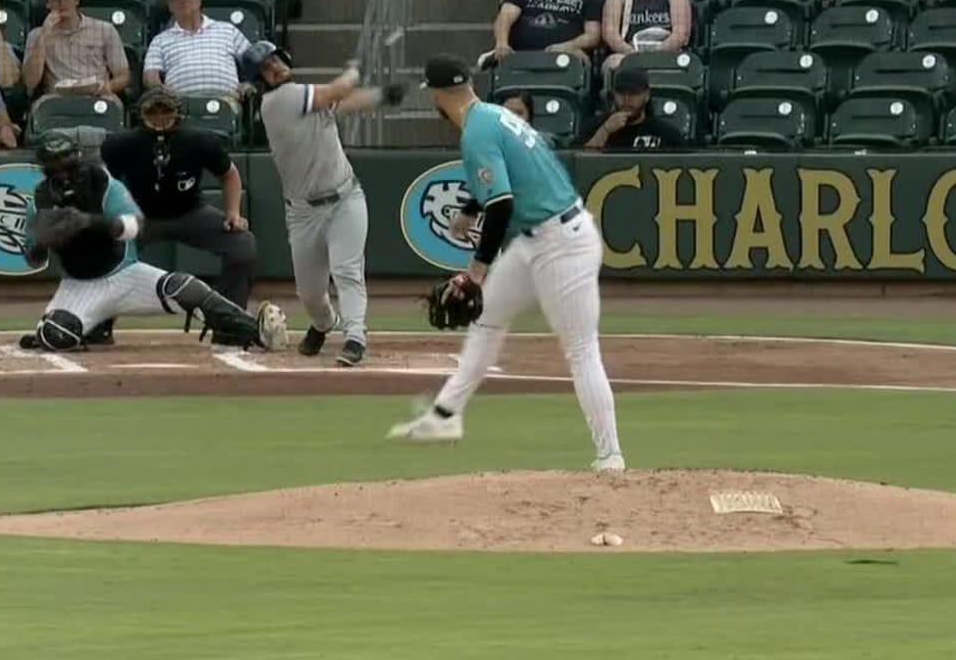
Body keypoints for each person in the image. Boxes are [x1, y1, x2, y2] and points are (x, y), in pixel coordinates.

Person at [386, 54, 625, 474]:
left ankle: (611, 456)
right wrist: (467, 208)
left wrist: (475, 272)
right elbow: (505, 181)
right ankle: (445, 417)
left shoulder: (476, 131)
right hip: (537, 239)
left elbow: (501, 204)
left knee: (582, 350)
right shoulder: (492, 115)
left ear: (439, 96)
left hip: (564, 245)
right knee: (488, 321)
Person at [15, 131, 287, 353]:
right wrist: (41, 242)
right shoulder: (40, 202)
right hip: (79, 285)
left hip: (124, 274)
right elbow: (33, 259)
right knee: (56, 335)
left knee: (186, 288)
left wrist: (88, 222)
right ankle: (92, 329)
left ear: (77, 159)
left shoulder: (104, 184)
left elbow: (135, 227)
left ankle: (255, 330)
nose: (63, 172)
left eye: (67, 164)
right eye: (55, 167)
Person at [244, 42, 405, 366]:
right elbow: (339, 90)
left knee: (347, 270)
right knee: (310, 294)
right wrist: (354, 71)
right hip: (303, 212)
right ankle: (322, 324)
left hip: (346, 197)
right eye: (265, 67)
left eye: (274, 60)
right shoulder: (278, 102)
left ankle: (355, 337)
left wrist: (380, 97)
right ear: (260, 79)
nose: (274, 67)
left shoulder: (303, 98)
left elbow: (342, 103)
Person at [94, 88, 259, 346]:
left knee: (242, 244)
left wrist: (233, 213)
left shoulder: (200, 140)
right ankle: (96, 323)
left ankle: (230, 322)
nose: (160, 118)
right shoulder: (122, 144)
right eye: (153, 112)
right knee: (101, 248)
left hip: (189, 211)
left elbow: (230, 175)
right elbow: (103, 182)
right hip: (140, 216)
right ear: (141, 114)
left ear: (178, 113)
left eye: (166, 111)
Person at [23, 0, 131, 106]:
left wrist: (106, 88)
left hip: (98, 96)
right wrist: (44, 36)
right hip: (56, 99)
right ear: (48, 4)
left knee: (111, 106)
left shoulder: (105, 30)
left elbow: (123, 75)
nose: (62, 2)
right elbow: (30, 82)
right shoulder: (36, 35)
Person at [144, 0, 251, 101]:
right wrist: (161, 90)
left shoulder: (227, 30)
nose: (182, 1)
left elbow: (254, 60)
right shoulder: (160, 40)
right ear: (170, 6)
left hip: (226, 100)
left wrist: (248, 84)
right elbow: (150, 75)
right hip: (180, 104)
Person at [583, 65, 686, 150]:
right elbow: (580, 163)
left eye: (634, 93)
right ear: (614, 94)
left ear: (647, 95)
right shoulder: (595, 126)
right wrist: (605, 131)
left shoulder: (665, 134)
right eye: (621, 93)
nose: (627, 99)